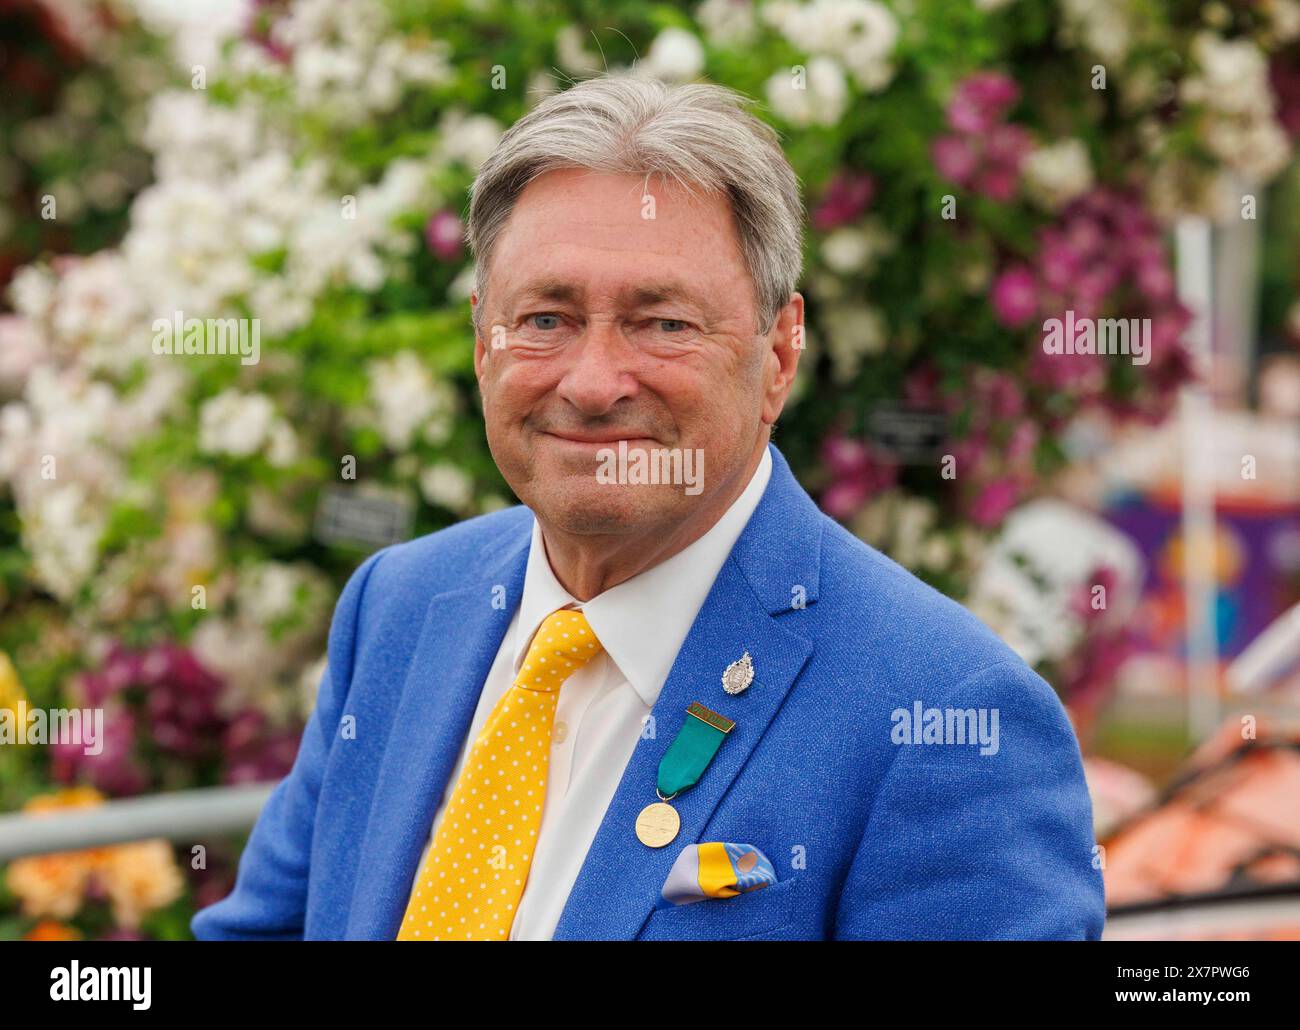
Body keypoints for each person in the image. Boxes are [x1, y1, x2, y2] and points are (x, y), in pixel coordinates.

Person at [192, 73, 1104, 941]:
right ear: (481, 342)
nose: (591, 385)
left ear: (778, 356)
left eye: (662, 324)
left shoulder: (946, 716)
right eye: (545, 319)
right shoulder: (398, 604)